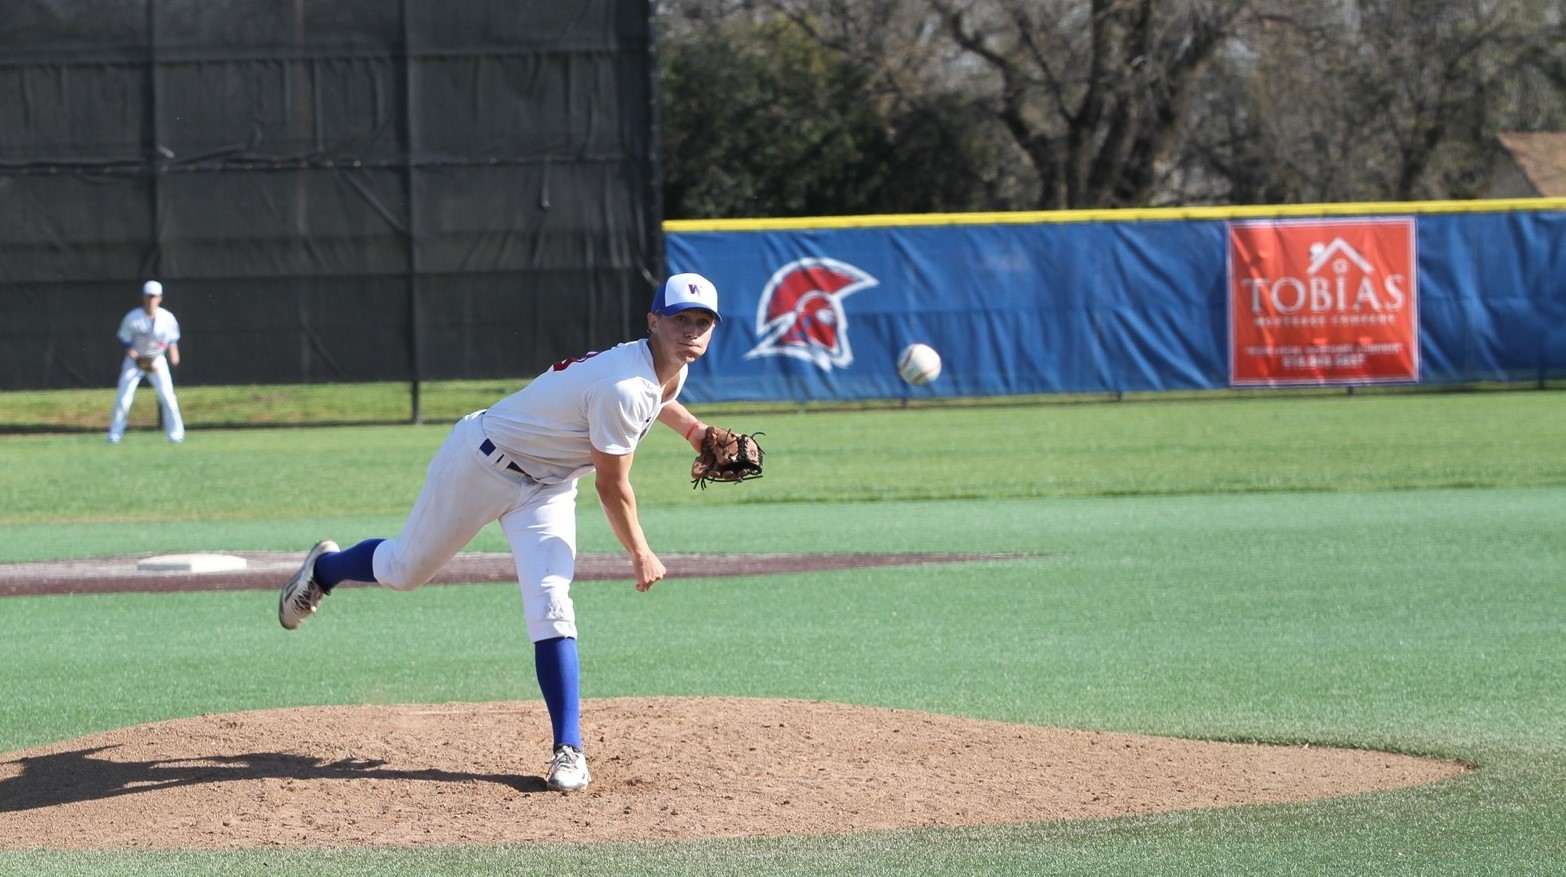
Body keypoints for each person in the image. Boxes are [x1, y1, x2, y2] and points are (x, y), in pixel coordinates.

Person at [278, 272, 732, 792]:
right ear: (654, 322)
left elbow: (660, 399)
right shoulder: (625, 385)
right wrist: (640, 552)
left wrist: (696, 432)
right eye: (680, 319)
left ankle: (569, 749)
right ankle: (325, 570)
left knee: (552, 602)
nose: (691, 331)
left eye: (702, 322)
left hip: (547, 488)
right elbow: (613, 485)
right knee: (405, 571)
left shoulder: (665, 369)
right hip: (481, 463)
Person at [107, 280, 186, 444]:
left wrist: (174, 354)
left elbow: (172, 339)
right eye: (148, 296)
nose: (151, 299)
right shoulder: (132, 317)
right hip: (135, 360)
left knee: (168, 396)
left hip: (157, 360)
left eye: (154, 296)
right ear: (143, 297)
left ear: (160, 298)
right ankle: (115, 433)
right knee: (124, 397)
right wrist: (138, 359)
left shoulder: (167, 318)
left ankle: (176, 433)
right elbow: (125, 342)